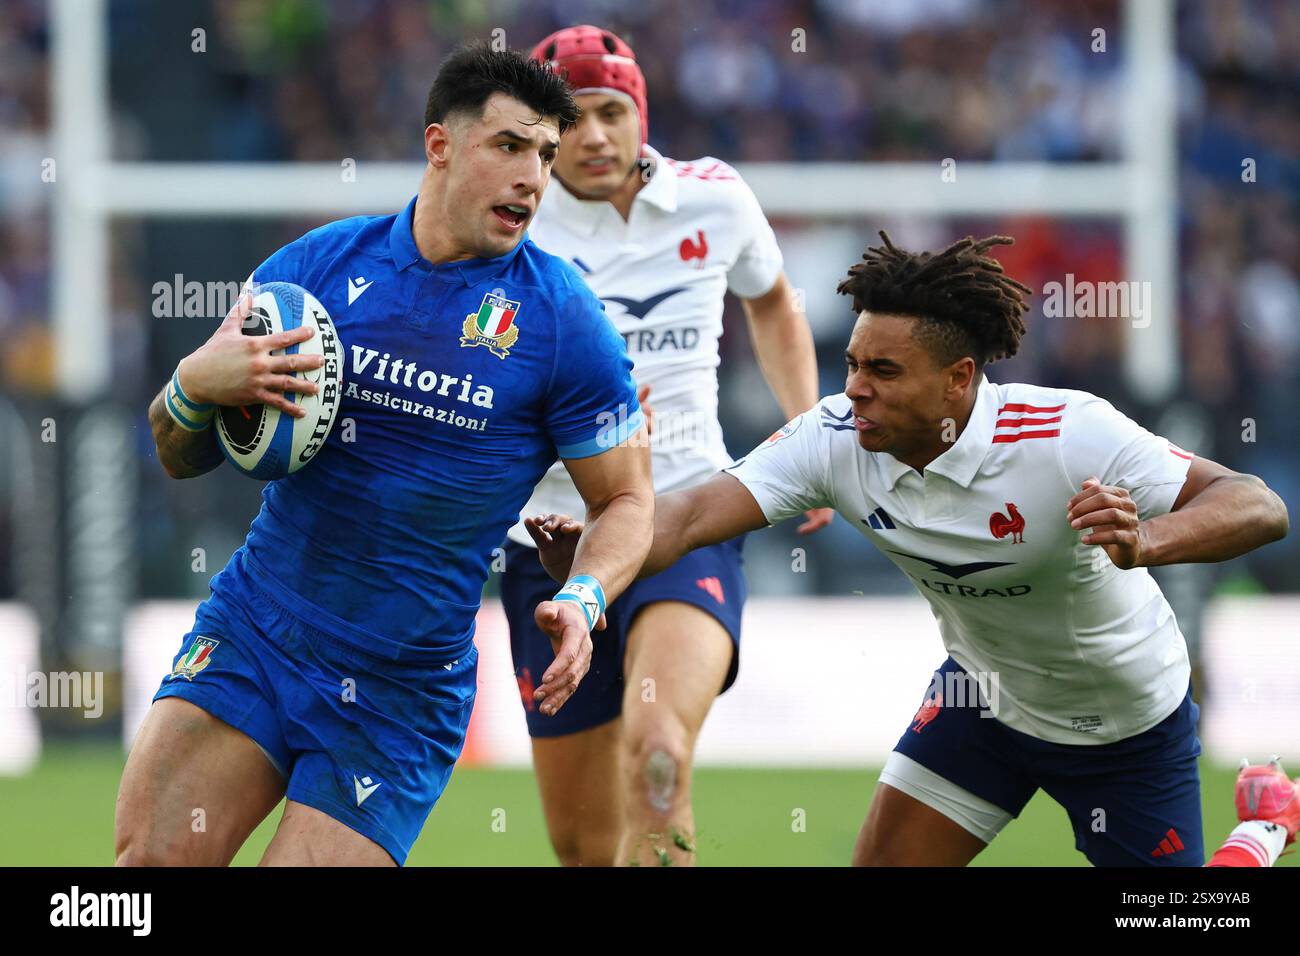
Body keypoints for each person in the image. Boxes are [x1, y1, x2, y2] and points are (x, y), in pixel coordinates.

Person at [526, 230, 1290, 867]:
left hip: (1126, 727)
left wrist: (1146, 540)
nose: (856, 387)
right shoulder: (834, 437)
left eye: (883, 371)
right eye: (855, 363)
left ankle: (1259, 833)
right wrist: (596, 568)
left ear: (959, 380)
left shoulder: (1066, 433)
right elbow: (687, 518)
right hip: (982, 704)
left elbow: (1258, 506)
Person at [115, 44, 654, 867]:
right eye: (508, 146)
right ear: (440, 145)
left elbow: (626, 500)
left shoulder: (563, 325)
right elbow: (178, 453)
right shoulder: (314, 272)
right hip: (257, 632)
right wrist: (194, 384)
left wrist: (584, 596)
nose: (533, 177)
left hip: (400, 693)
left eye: (544, 154)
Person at [499, 24, 829, 866]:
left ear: (640, 113)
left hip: (683, 514)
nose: (596, 135)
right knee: (583, 846)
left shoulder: (715, 197)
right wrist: (575, 417)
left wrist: (809, 425)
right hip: (551, 546)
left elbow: (774, 301)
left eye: (612, 111)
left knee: (656, 754)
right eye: (571, 119)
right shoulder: (509, 228)